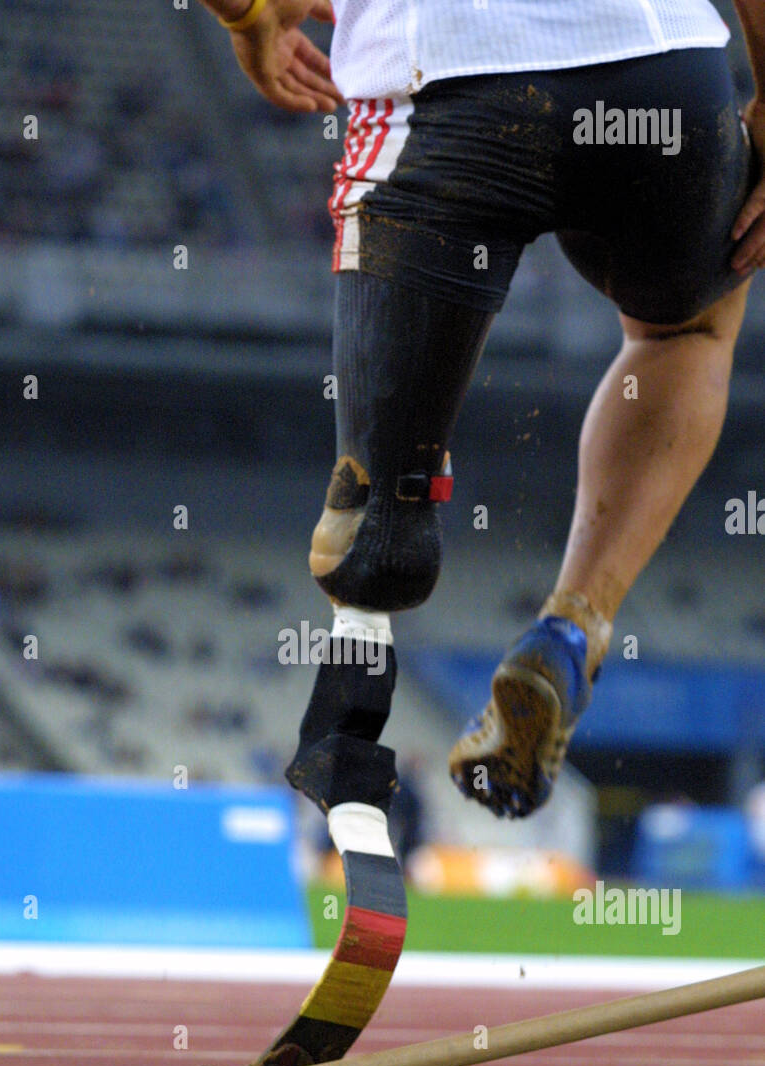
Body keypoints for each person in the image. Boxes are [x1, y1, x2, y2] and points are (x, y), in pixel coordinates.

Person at [200, 0, 765, 827]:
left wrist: (248, 18)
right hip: (655, 70)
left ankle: (354, 732)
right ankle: (574, 627)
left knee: (375, 525)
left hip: (444, 87)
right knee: (684, 332)